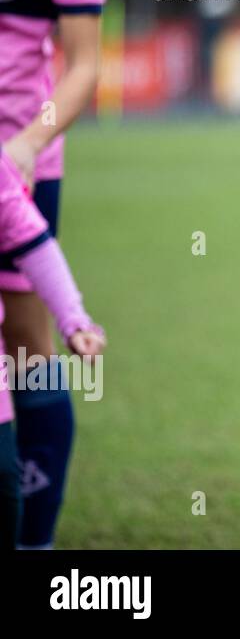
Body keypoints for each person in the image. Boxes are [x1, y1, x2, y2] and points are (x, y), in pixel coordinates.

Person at [0, 0, 128, 549]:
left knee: (23, 346)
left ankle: (33, 541)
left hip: (18, 168)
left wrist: (27, 143)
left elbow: (83, 66)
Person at [0, 147, 105, 547]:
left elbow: (32, 238)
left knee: (4, 478)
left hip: (27, 160)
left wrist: (74, 319)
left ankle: (34, 538)